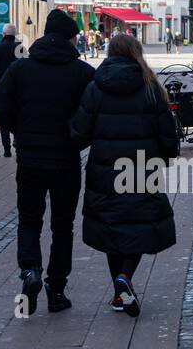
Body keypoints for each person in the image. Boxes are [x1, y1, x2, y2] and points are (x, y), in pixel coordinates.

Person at [0, 10, 95, 314]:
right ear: (70, 38)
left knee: (29, 220)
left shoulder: (21, 70)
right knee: (63, 226)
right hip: (66, 161)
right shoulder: (82, 73)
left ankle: (30, 271)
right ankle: (56, 288)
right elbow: (92, 114)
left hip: (31, 159)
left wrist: (20, 130)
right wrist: (77, 138)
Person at [69, 31, 179, 318]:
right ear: (136, 53)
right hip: (143, 167)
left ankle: (119, 292)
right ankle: (125, 278)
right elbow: (167, 132)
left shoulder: (96, 87)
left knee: (111, 225)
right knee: (140, 223)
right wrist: (168, 153)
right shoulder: (151, 86)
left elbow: (79, 133)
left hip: (104, 170)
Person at [0, 24, 22, 158]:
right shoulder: (19, 48)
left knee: (3, 116)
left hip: (1, 87)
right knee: (18, 115)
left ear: (4, 34)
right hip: (18, 89)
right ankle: (17, 141)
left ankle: (6, 149)